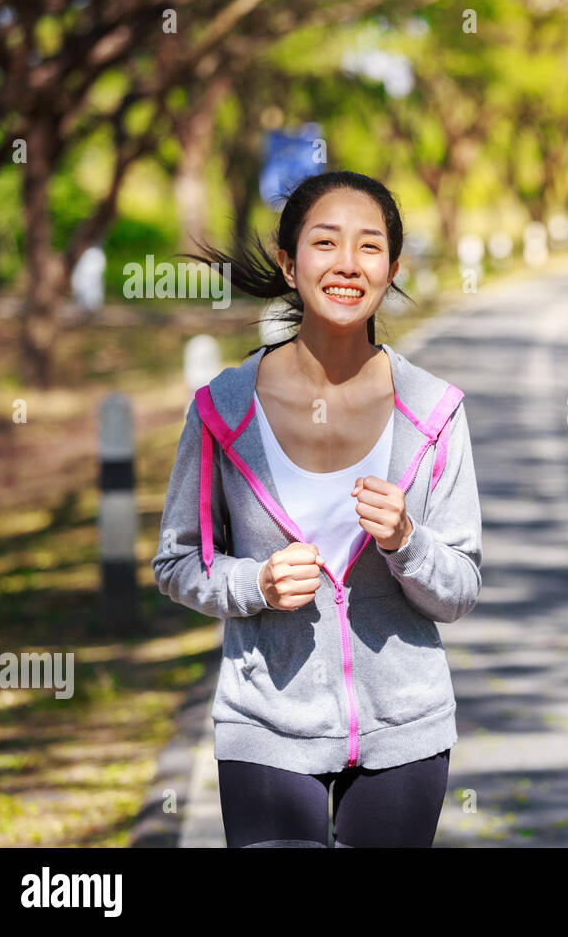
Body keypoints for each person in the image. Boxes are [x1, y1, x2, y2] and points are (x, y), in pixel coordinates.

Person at [151, 170, 482, 847]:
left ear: (392, 268)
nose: (346, 264)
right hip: (267, 726)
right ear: (289, 262)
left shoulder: (433, 412)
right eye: (325, 242)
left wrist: (408, 542)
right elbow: (176, 562)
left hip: (405, 732)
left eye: (369, 247)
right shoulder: (225, 409)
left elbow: (461, 589)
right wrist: (255, 584)